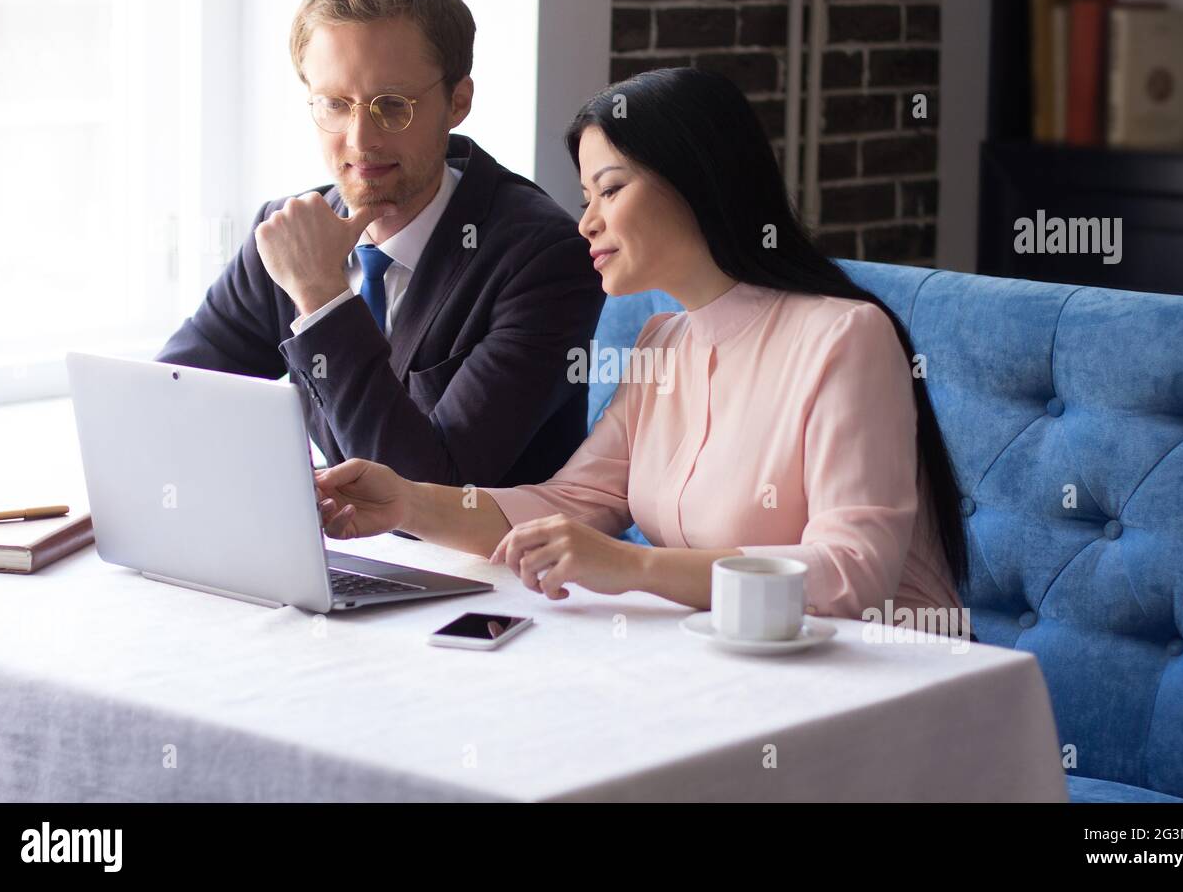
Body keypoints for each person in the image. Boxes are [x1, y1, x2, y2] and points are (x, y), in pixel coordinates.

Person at [314, 67, 969, 625]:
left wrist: (633, 566)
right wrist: (408, 500)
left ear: (698, 180)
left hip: (888, 693)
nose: (586, 222)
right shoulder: (667, 343)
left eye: (611, 189)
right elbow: (567, 503)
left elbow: (851, 576)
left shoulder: (845, 338)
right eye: (584, 196)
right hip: (734, 670)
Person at [157, 0, 604, 487]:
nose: (360, 140)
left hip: (481, 565)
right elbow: (168, 402)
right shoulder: (286, 232)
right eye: (335, 105)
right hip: (340, 555)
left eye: (392, 106)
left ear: (457, 102)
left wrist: (323, 297)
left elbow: (427, 492)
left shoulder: (545, 257)